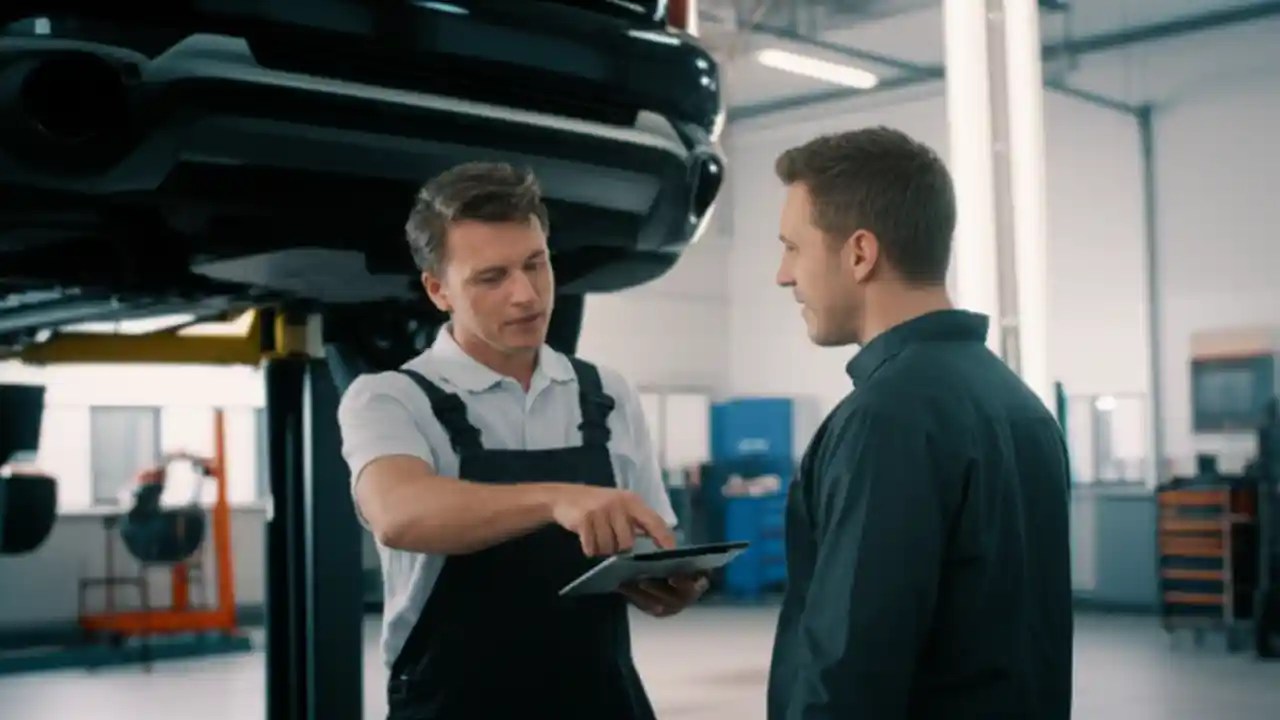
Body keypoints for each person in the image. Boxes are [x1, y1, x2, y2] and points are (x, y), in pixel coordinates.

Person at [337, 162, 708, 720]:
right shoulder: (390, 399)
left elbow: (650, 534)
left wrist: (664, 576)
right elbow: (399, 513)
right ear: (439, 290)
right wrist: (557, 500)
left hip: (599, 701)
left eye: (536, 265)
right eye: (492, 278)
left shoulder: (606, 394)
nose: (526, 295)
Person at [765, 127, 1073, 719]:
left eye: (793, 247)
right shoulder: (1023, 406)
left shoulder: (885, 421)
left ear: (860, 253)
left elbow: (849, 670)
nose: (783, 275)